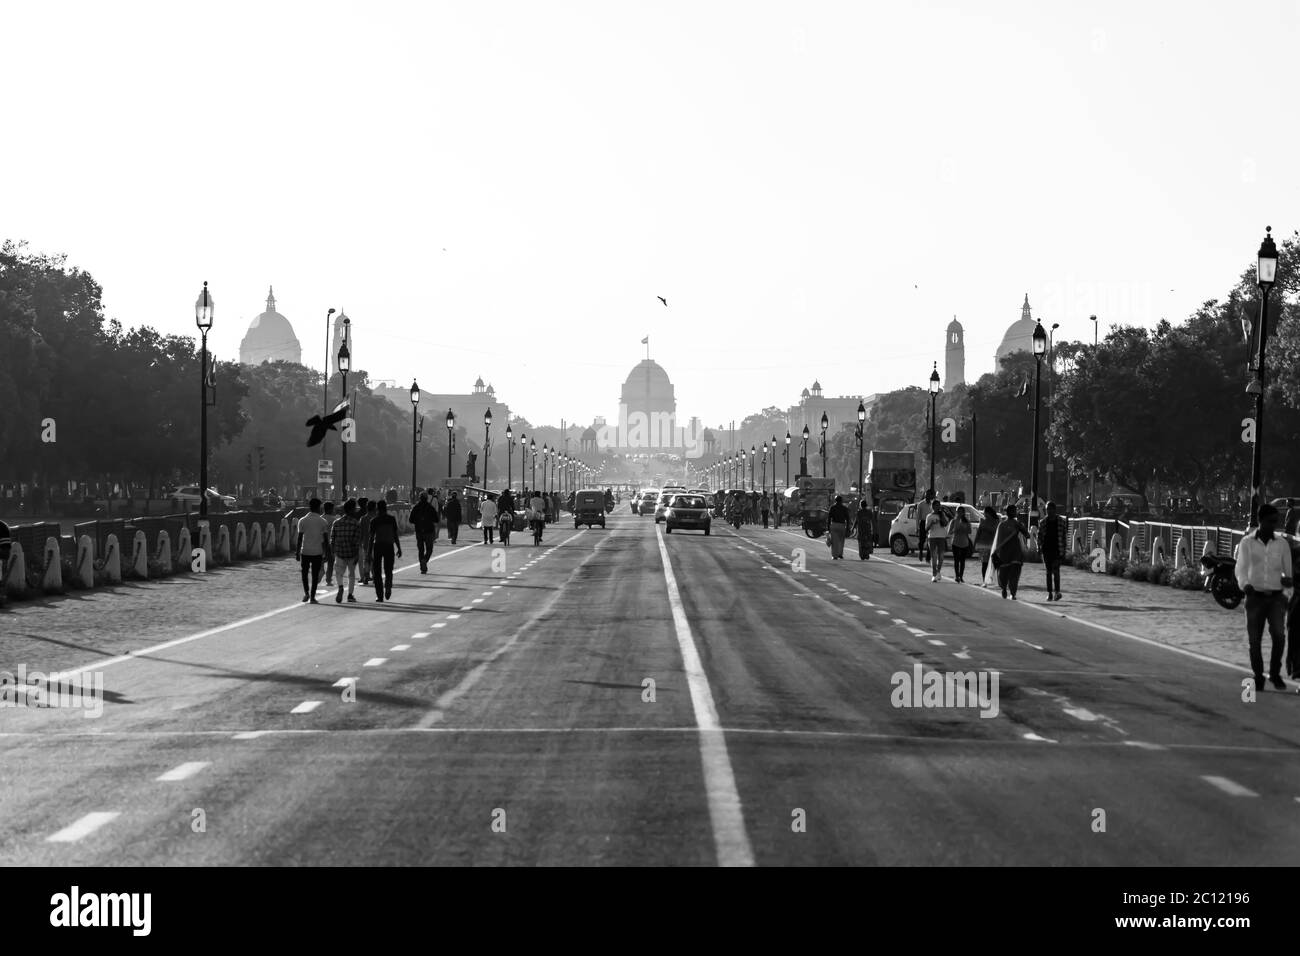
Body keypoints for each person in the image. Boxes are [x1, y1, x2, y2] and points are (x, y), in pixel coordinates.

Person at [1236, 503, 1293, 691]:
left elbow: (1288, 574)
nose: (1274, 525)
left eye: (1276, 521)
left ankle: (1275, 674)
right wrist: (1246, 586)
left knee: (1279, 636)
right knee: (1255, 640)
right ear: (1260, 521)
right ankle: (1258, 675)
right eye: (1270, 521)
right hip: (1255, 597)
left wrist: (1287, 592)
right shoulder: (1247, 543)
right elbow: (1241, 570)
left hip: (1276, 598)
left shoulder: (1282, 544)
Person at [295, 498, 328, 604]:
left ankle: (306, 593)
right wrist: (327, 552)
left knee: (304, 573)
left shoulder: (302, 520)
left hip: (305, 551)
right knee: (315, 574)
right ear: (318, 507)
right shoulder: (323, 521)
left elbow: (299, 538)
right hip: (317, 552)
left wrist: (297, 552)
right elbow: (326, 540)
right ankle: (313, 596)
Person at [369, 500, 403, 602]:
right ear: (386, 508)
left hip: (378, 546)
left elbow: (371, 538)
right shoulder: (391, 519)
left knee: (377, 572)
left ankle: (379, 595)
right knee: (388, 570)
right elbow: (395, 535)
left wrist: (368, 553)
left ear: (377, 509)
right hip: (389, 546)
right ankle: (388, 586)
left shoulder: (374, 520)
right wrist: (399, 548)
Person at [329, 498, 362, 603]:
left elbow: (332, 539)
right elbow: (357, 540)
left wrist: (333, 551)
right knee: (351, 574)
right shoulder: (355, 523)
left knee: (339, 573)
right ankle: (350, 595)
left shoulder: (336, 522)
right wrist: (357, 554)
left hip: (339, 552)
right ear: (352, 510)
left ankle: (340, 587)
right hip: (351, 552)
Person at [992, 504, 1028, 599]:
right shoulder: (1002, 525)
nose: (1014, 513)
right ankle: (1004, 588)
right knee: (1003, 574)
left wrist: (1020, 527)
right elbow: (999, 540)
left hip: (1016, 552)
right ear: (1007, 512)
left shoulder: (1017, 524)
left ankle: (1013, 593)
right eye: (1012, 511)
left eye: (1015, 511)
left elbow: (1027, 535)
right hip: (1004, 553)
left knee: (1015, 574)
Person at [1039, 501, 1068, 601]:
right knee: (1048, 572)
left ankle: (1057, 592)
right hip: (1046, 550)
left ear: (1055, 510)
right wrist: (1039, 549)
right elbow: (1040, 537)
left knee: (1056, 571)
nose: (1049, 511)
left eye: (1051, 509)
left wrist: (1064, 551)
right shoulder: (1043, 522)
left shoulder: (1061, 521)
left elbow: (1064, 537)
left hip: (1057, 549)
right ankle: (1050, 593)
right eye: (1047, 509)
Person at [410, 492, 438, 573]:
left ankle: (422, 567)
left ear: (420, 498)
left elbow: (411, 520)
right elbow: (436, 519)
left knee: (421, 550)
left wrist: (418, 521)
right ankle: (424, 560)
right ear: (426, 498)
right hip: (429, 531)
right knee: (429, 549)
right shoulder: (430, 507)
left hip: (419, 531)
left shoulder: (416, 507)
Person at [925, 499, 948, 582]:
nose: (938, 507)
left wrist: (941, 517)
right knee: (934, 557)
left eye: (939, 505)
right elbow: (926, 529)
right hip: (932, 538)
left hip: (941, 537)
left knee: (941, 557)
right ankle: (934, 574)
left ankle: (938, 572)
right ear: (933, 506)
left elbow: (946, 524)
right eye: (936, 505)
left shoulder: (942, 514)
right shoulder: (929, 516)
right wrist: (931, 523)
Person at [975, 505, 999, 587]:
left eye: (985, 512)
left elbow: (996, 532)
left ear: (989, 513)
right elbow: (978, 533)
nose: (984, 514)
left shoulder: (996, 521)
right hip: (983, 545)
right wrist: (975, 542)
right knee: (984, 564)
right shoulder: (982, 521)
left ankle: (992, 579)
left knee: (993, 564)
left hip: (992, 545)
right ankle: (984, 581)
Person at [948, 505, 972, 583]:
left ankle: (961, 576)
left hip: (964, 542)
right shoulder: (953, 521)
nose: (960, 513)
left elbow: (969, 531)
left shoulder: (967, 521)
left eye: (962, 511)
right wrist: (955, 530)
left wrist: (964, 529)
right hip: (955, 542)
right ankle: (957, 576)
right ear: (956, 512)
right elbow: (949, 532)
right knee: (956, 560)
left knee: (962, 561)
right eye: (959, 511)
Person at [827, 494, 850, 560]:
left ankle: (834, 555)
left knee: (834, 542)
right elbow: (847, 518)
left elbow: (829, 518)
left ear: (835, 500)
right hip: (842, 525)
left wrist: (828, 528)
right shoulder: (844, 508)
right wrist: (848, 527)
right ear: (841, 501)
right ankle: (840, 554)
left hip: (834, 525)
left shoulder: (832, 507)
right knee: (841, 541)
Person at [358, 498, 375, 585]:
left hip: (366, 543)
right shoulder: (376, 518)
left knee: (367, 560)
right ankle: (374, 575)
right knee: (375, 560)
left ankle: (366, 576)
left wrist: (359, 543)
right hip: (376, 543)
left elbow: (360, 532)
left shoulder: (363, 518)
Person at [322, 500, 338, 586]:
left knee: (321, 559)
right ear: (331, 509)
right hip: (330, 543)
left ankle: (320, 572)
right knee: (330, 562)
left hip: (320, 543)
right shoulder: (334, 520)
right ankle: (328, 579)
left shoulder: (320, 518)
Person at [916, 488, 935, 562]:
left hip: (930, 523)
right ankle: (920, 552)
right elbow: (918, 517)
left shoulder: (932, 504)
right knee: (922, 540)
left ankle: (928, 556)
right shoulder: (920, 504)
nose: (927, 496)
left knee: (930, 540)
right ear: (925, 495)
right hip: (923, 523)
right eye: (926, 495)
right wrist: (917, 527)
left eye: (929, 495)